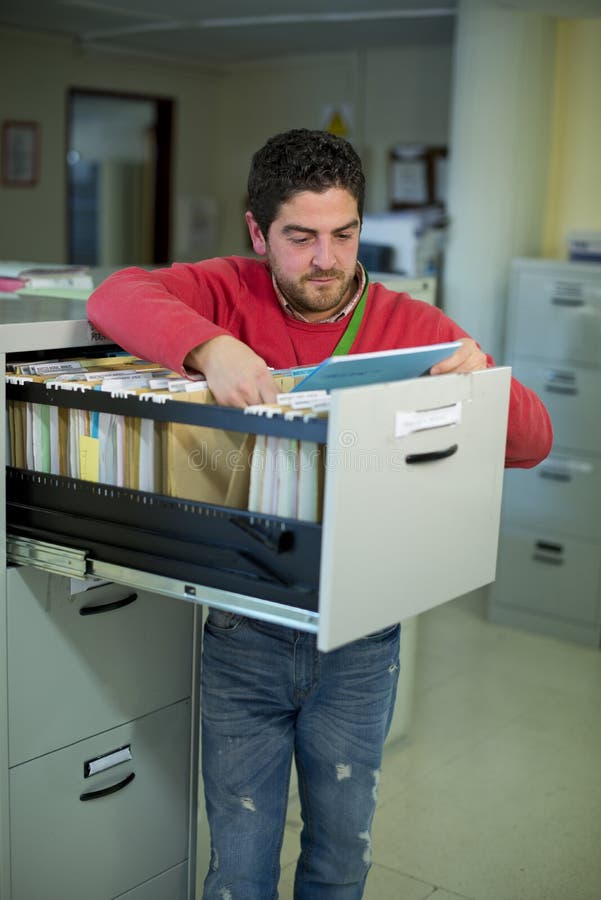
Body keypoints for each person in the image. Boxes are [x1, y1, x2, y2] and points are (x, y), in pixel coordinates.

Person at [87, 128, 552, 899]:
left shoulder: (410, 320)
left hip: (360, 638)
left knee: (340, 858)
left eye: (343, 234)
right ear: (257, 232)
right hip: (244, 626)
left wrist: (477, 382)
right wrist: (211, 348)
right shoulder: (226, 287)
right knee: (238, 862)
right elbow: (115, 296)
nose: (325, 260)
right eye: (299, 238)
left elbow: (532, 442)